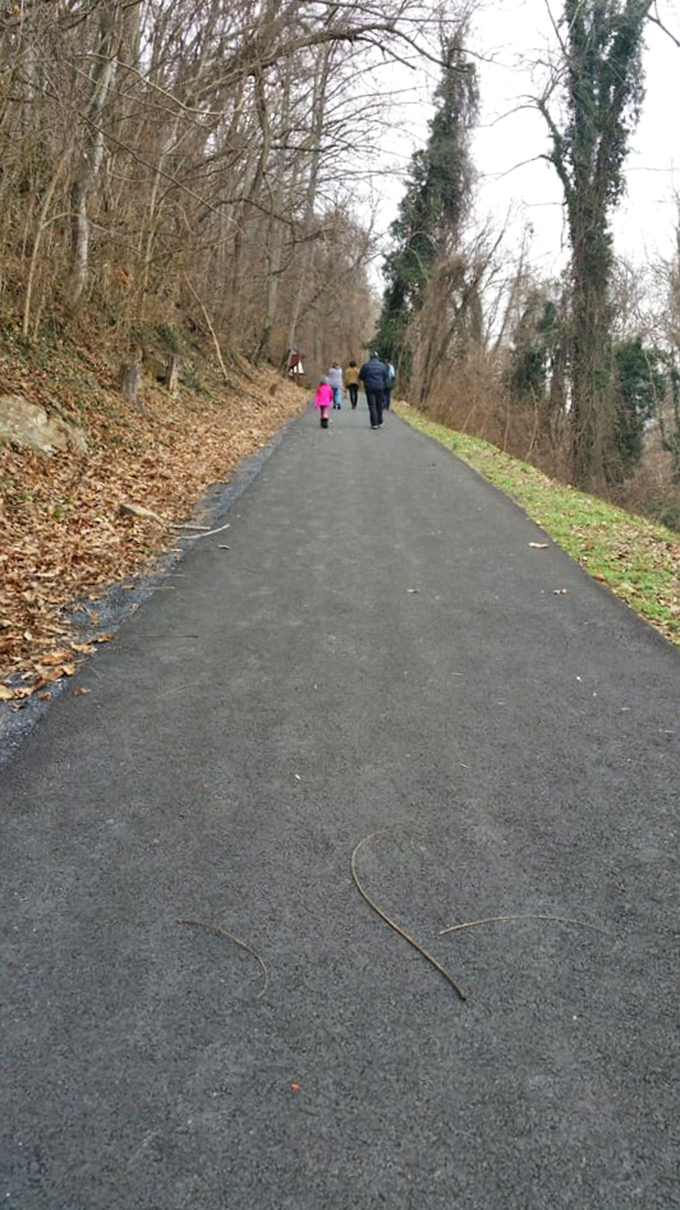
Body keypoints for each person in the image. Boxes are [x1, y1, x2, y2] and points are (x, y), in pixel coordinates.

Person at [359, 352, 389, 429]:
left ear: (370, 358)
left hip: (370, 387)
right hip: (380, 387)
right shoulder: (382, 366)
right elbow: (386, 376)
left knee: (372, 405)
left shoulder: (366, 366)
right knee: (379, 404)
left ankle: (374, 423)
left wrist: (366, 379)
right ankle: (380, 421)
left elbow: (361, 376)